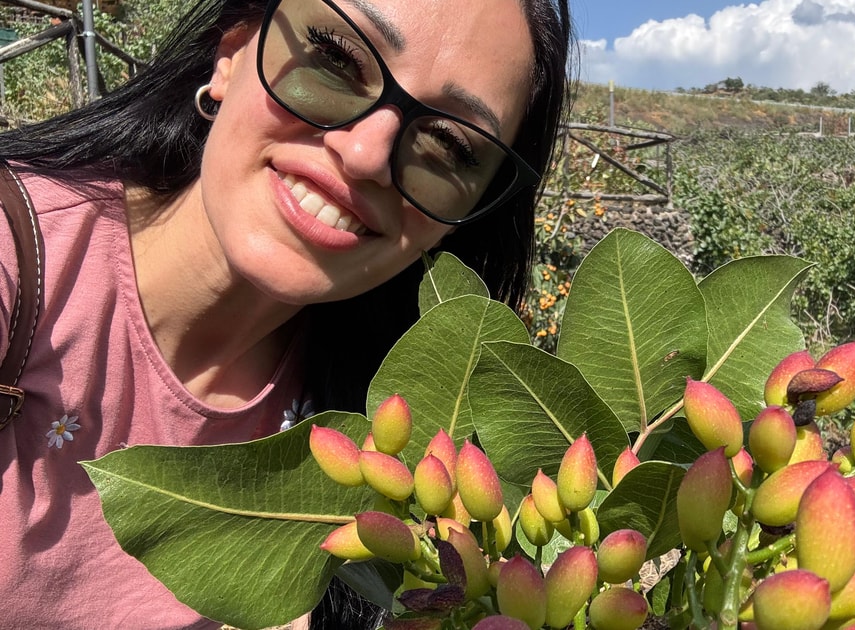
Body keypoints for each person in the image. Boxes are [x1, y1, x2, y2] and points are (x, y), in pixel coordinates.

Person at [0, 0, 572, 625]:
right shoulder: (15, 259)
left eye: (451, 146)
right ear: (233, 52)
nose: (366, 154)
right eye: (334, 58)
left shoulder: (382, 423)